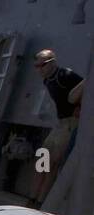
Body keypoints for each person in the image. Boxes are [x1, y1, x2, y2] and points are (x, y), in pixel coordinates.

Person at [34, 50, 84, 206]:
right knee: (42, 159)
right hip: (60, 123)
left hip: (70, 123)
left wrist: (80, 107)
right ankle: (33, 197)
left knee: (53, 164)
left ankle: (41, 202)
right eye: (37, 66)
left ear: (52, 63)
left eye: (42, 65)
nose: (39, 69)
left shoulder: (66, 76)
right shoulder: (47, 81)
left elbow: (86, 88)